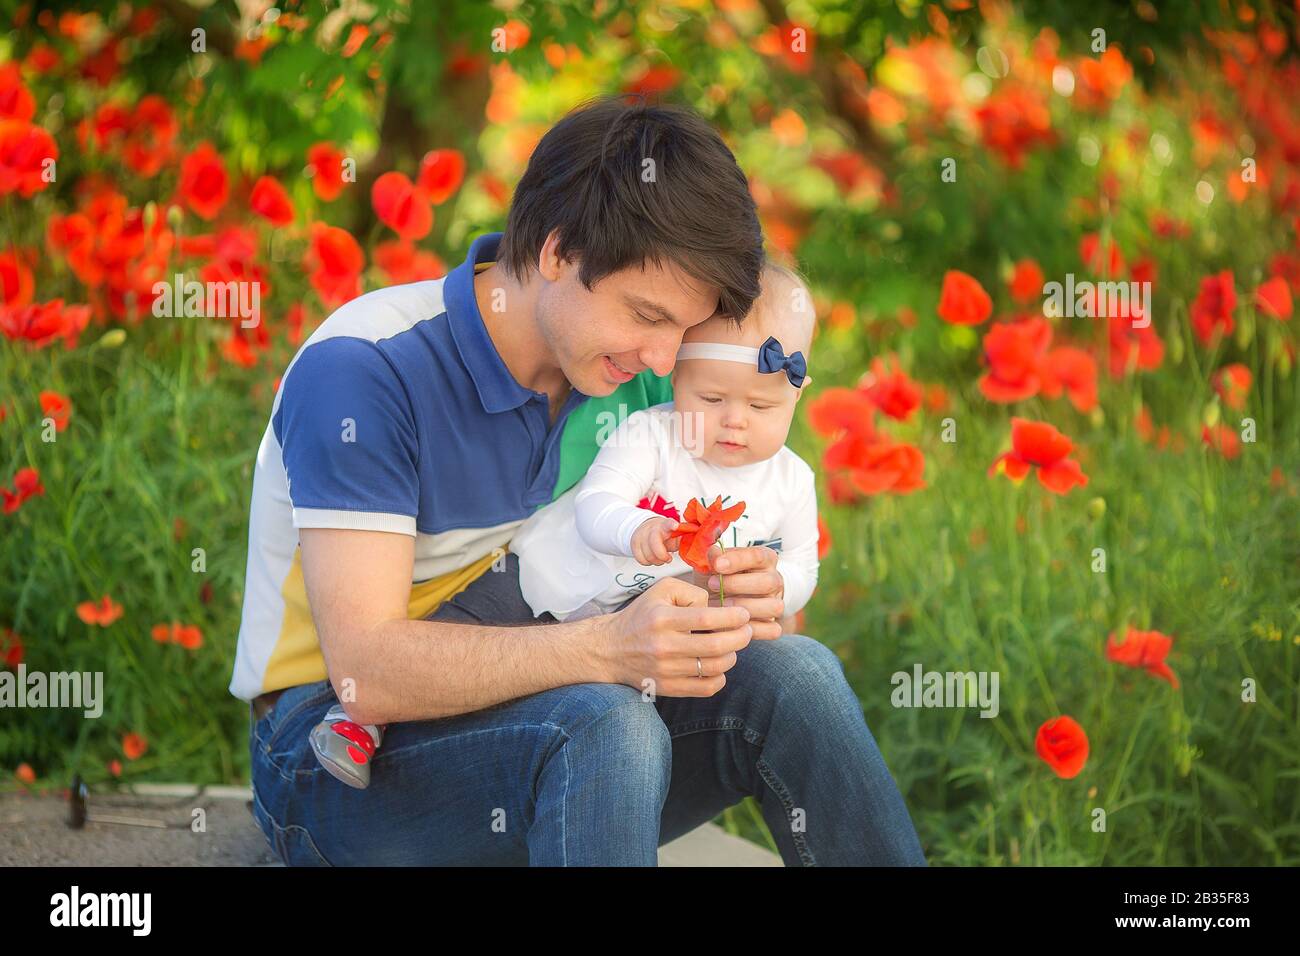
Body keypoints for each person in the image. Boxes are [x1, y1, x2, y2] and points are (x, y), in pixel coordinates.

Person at [233, 95, 926, 865]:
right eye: (647, 314)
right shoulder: (368, 369)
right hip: (338, 756)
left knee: (797, 674)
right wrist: (607, 649)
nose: (666, 361)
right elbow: (366, 673)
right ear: (559, 252)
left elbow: (701, 614)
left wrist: (747, 600)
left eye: (682, 329)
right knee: (606, 720)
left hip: (560, 721)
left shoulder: (639, 374)